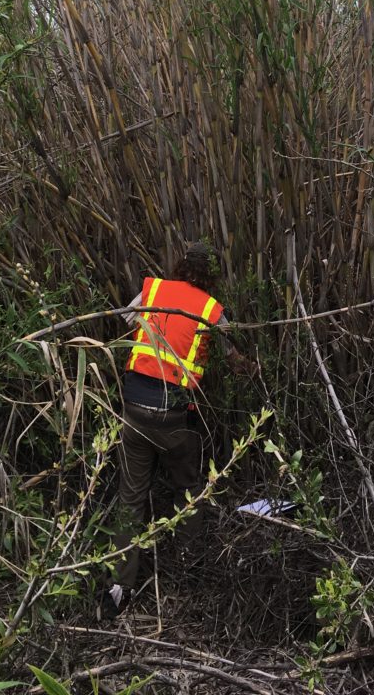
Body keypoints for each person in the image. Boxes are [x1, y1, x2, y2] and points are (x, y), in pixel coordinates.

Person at [102, 242, 254, 617]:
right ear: (213, 275)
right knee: (189, 489)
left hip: (134, 410)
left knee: (130, 500)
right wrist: (253, 368)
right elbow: (233, 359)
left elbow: (126, 320)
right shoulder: (212, 310)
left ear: (179, 265)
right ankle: (190, 573)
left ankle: (119, 590)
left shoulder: (153, 290)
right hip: (172, 418)